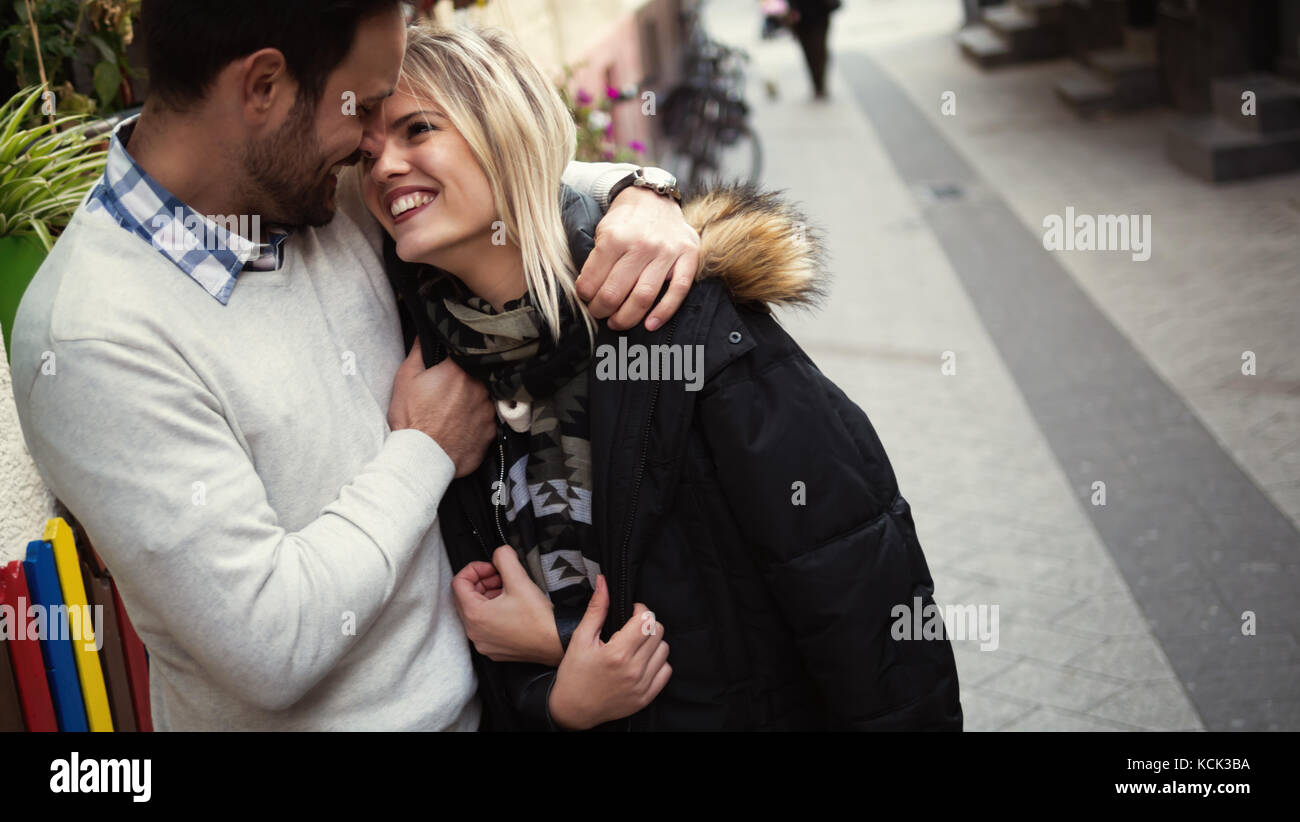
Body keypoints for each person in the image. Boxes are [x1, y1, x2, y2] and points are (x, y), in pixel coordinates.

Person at [10, 0, 701, 731]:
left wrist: (636, 195)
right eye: (363, 105)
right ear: (264, 88)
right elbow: (268, 646)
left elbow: (492, 176)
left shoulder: (312, 188)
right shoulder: (90, 339)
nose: (370, 142)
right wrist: (425, 450)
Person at [364, 23, 963, 731]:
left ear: (503, 130)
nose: (384, 168)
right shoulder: (441, 381)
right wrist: (556, 701)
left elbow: (853, 585)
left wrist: (558, 645)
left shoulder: (676, 322)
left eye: (417, 129)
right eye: (367, 154)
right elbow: (488, 656)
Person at [789, 0, 841, 100]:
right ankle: (816, 84)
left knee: (819, 50)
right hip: (800, 18)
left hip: (820, 14)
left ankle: (820, 84)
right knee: (809, 53)